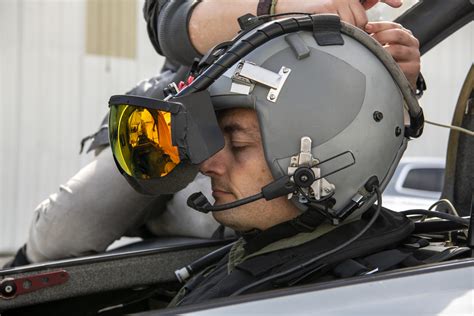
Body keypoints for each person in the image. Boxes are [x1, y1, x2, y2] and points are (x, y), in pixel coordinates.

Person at [6, 0, 418, 267]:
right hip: (172, 123)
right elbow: (168, 20)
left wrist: (392, 75)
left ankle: (171, 215)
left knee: (264, 224)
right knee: (60, 234)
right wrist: (276, 7)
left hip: (261, 157)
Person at [106, 13, 424, 307]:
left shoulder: (334, 301)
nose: (208, 165)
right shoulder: (263, 255)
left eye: (239, 144)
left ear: (321, 167)